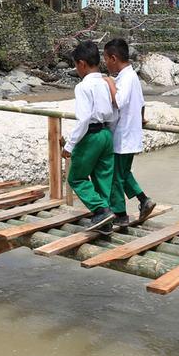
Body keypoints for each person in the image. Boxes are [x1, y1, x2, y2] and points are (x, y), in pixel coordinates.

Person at [63, 41, 117, 233]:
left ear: (82, 64)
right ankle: (106, 219)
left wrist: (69, 145)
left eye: (76, 65)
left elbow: (84, 118)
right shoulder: (104, 83)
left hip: (91, 135)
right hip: (106, 134)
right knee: (103, 177)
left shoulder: (83, 87)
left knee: (76, 178)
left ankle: (100, 211)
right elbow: (113, 110)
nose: (76, 69)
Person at [103, 38, 155, 229]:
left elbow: (119, 100)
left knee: (116, 176)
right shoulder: (131, 76)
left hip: (122, 136)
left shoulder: (125, 78)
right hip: (130, 134)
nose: (106, 63)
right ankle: (143, 200)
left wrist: (108, 81)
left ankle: (120, 214)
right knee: (123, 173)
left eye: (106, 59)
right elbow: (141, 104)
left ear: (114, 58)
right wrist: (140, 120)